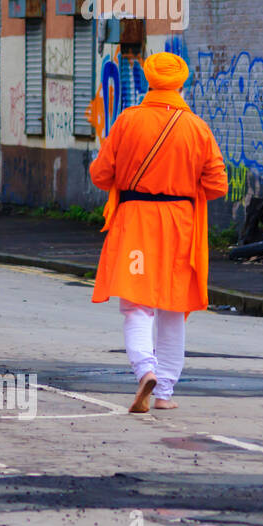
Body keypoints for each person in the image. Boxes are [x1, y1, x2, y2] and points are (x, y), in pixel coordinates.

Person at [90, 52, 227, 413]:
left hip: (136, 220)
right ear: (181, 82)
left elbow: (101, 175)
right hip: (181, 223)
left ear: (148, 80)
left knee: (136, 305)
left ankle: (144, 369)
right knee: (173, 307)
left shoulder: (127, 121)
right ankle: (164, 390)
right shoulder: (197, 127)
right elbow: (217, 185)